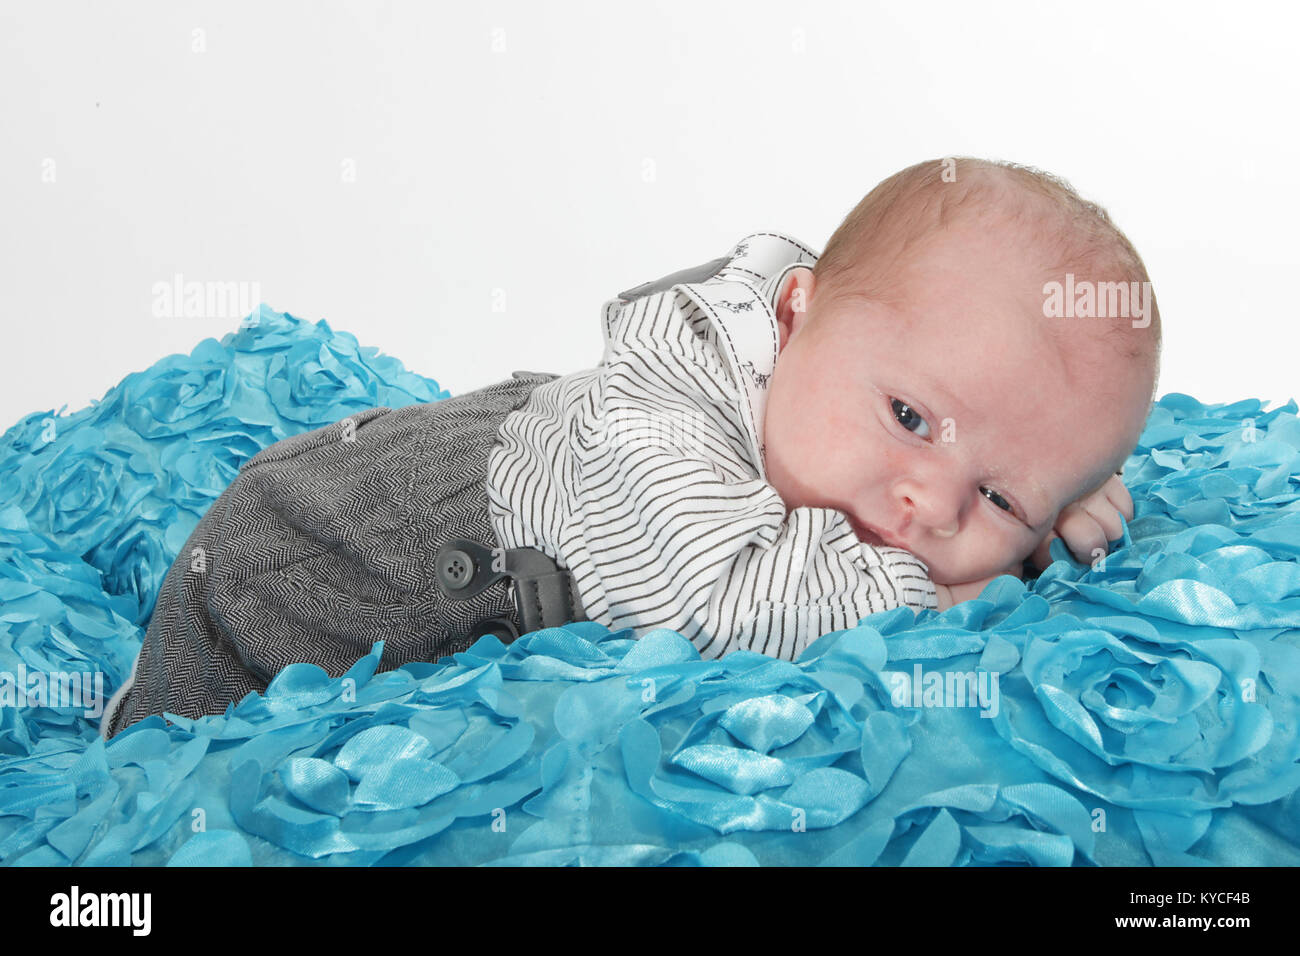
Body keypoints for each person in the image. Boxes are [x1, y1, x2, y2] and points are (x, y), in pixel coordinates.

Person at [102, 156, 1161, 738]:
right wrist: (964, 576)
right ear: (792, 316)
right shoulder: (668, 440)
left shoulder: (842, 375)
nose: (928, 504)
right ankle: (135, 718)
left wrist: (1044, 495)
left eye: (995, 495)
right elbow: (726, 606)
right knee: (174, 748)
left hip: (527, 463)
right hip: (316, 556)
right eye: (909, 419)